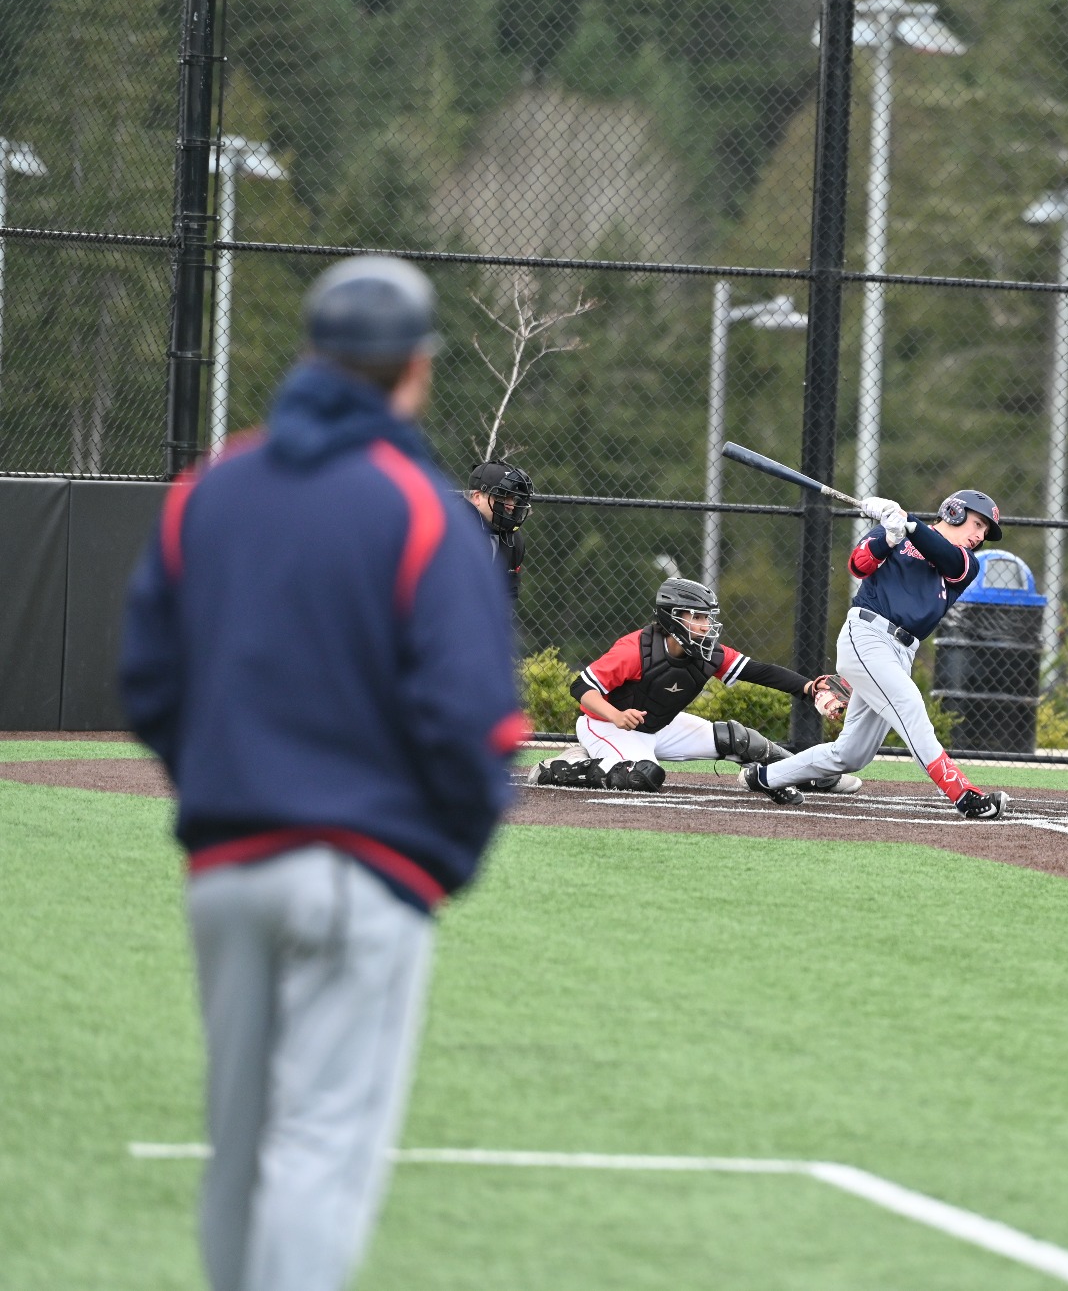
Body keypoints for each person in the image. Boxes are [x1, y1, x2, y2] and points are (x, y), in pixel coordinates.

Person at [119, 256, 525, 1291]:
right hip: (361, 867)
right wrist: (438, 862)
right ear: (416, 371)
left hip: (228, 865)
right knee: (319, 1152)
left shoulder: (209, 490)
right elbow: (479, 719)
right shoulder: (425, 511)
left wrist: (218, 788)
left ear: (311, 351)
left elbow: (147, 680)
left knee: (241, 1145)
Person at [741, 490, 1012, 818]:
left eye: (985, 532)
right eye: (978, 524)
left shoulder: (965, 563)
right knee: (909, 705)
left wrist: (906, 520)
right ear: (954, 512)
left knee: (850, 755)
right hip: (868, 636)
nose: (980, 536)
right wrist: (889, 536)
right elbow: (858, 565)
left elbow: (946, 557)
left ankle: (765, 777)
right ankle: (963, 795)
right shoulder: (893, 530)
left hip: (902, 652)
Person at [538, 576, 861, 800]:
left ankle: (814, 776)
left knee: (740, 740)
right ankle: (568, 767)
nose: (706, 625)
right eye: (697, 617)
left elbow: (759, 671)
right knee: (643, 777)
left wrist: (810, 687)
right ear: (674, 617)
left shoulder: (706, 652)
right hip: (607, 725)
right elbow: (581, 687)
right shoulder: (634, 649)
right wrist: (616, 714)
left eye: (708, 617)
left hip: (658, 724)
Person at [467, 460, 532, 602]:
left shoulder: (513, 540)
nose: (511, 505)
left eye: (513, 498)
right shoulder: (450, 530)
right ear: (477, 497)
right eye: (502, 496)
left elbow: (507, 595)